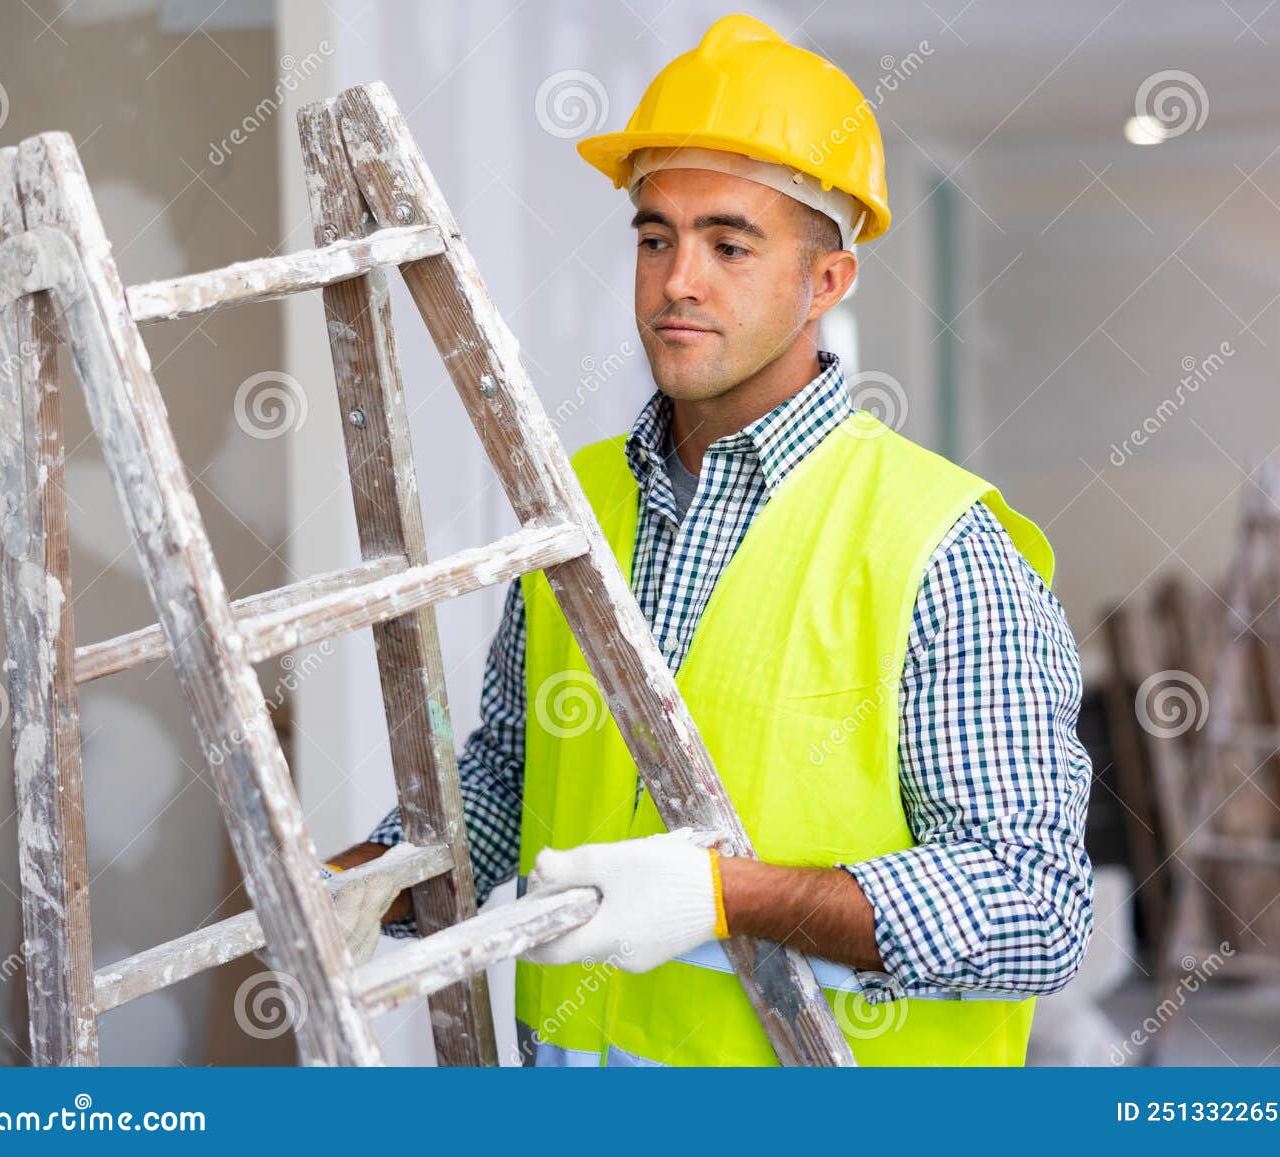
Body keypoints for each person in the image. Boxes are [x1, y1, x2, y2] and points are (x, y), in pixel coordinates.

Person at [324, 13, 1093, 1067]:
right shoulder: (578, 504)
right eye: (656, 238)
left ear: (827, 281)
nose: (678, 280)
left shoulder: (939, 546)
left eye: (729, 245)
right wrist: (372, 878)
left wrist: (727, 896)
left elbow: (1033, 907)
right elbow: (512, 773)